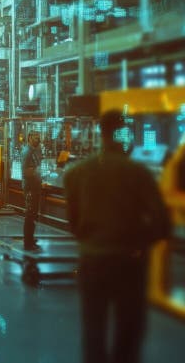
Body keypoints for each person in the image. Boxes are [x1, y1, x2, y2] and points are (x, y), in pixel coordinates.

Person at [64, 110, 171, 363]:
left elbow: (73, 222)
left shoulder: (77, 174)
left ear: (100, 132)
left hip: (92, 260)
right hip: (129, 262)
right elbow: (162, 223)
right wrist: (137, 243)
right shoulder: (139, 174)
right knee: (128, 330)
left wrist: (93, 240)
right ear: (122, 132)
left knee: (94, 329)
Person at [21, 131, 43, 251]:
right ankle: (28, 242)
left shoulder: (36, 150)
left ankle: (30, 238)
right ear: (29, 138)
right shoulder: (27, 152)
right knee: (30, 214)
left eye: (39, 138)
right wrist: (36, 171)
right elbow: (25, 171)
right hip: (29, 187)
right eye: (35, 138)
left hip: (35, 186)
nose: (38, 140)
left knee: (33, 214)